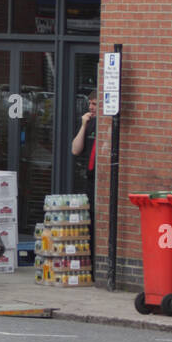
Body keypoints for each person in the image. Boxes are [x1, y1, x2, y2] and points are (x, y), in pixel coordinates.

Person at [71, 92, 97, 242]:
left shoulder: (107, 125)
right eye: (90, 104)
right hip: (88, 177)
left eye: (94, 104)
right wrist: (83, 125)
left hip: (98, 179)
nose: (90, 107)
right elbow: (75, 149)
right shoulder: (89, 123)